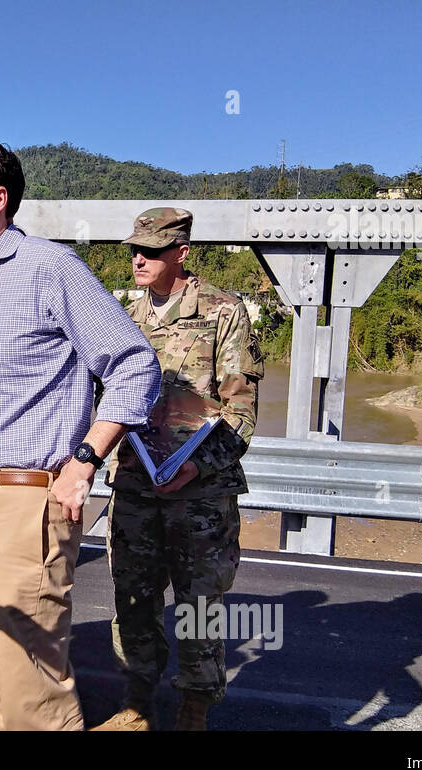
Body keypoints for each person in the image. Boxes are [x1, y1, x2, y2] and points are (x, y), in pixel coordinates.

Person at [0, 139, 160, 731]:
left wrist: (85, 459)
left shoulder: (49, 267)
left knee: (34, 688)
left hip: (30, 498)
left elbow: (134, 362)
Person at [93, 207, 263, 732]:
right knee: (134, 599)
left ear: (181, 253)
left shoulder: (223, 312)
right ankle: (139, 702)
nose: (138, 259)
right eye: (134, 251)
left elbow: (241, 409)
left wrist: (199, 468)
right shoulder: (126, 318)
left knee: (198, 605)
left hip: (200, 495)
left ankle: (195, 708)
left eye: (150, 251)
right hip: (138, 486)